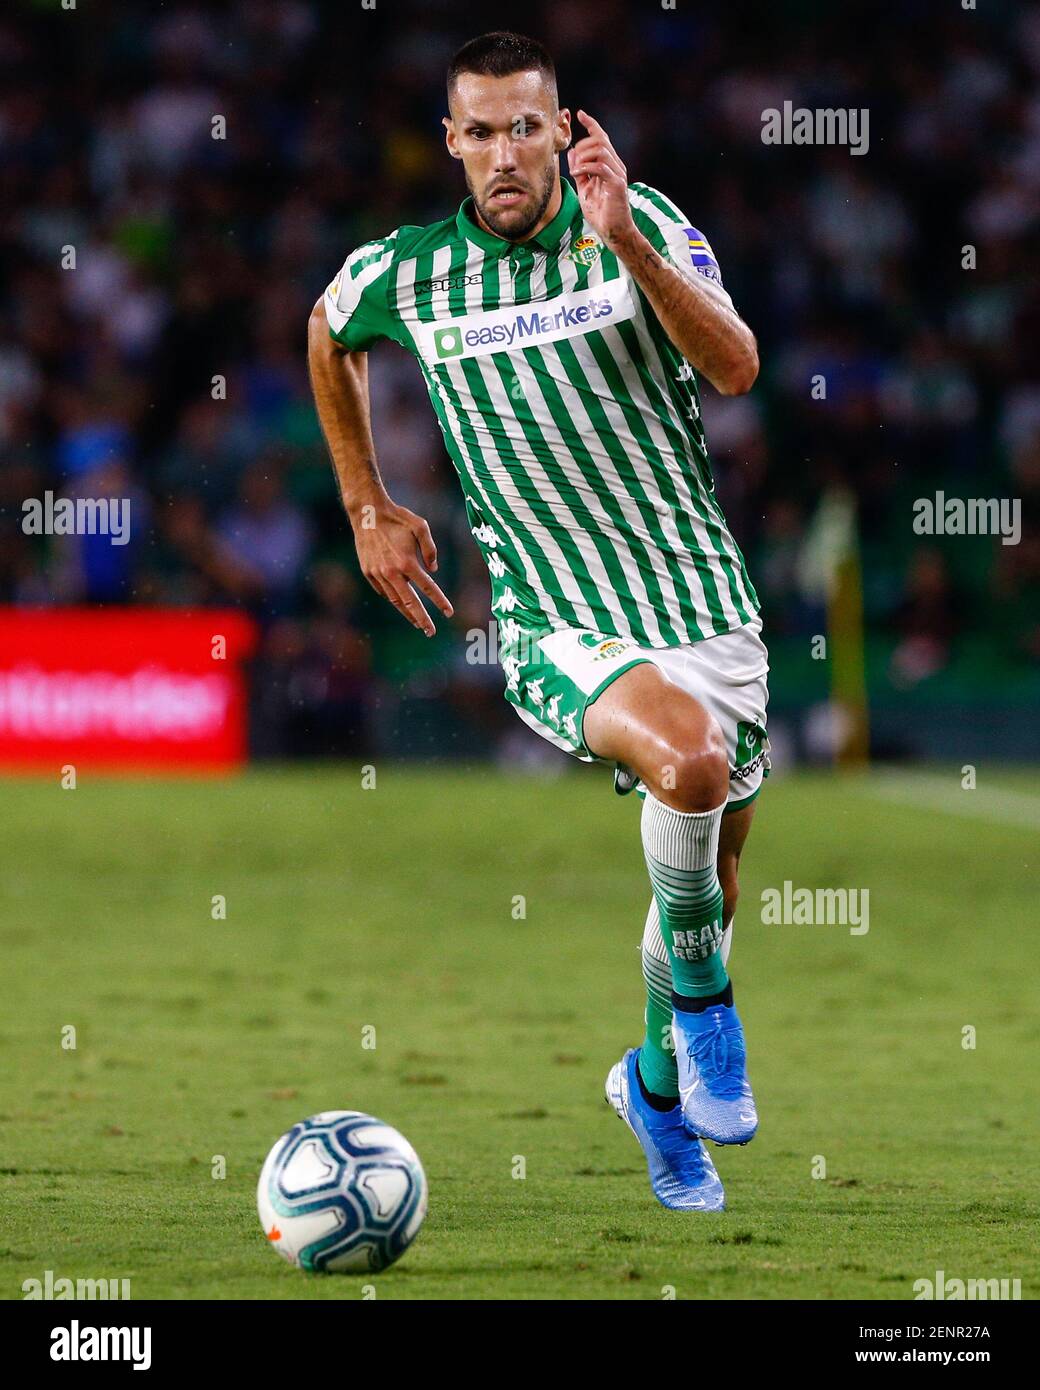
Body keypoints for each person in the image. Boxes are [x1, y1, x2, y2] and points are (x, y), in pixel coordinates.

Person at [308, 30, 770, 1211]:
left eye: (528, 126)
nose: (505, 152)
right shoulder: (410, 273)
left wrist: (624, 244)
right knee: (689, 760)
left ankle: (652, 1086)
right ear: (450, 142)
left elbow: (734, 367)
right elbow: (327, 327)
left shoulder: (639, 221)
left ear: (560, 132)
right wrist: (365, 503)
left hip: (699, 603)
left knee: (707, 869)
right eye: (481, 131)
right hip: (555, 616)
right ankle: (712, 1022)